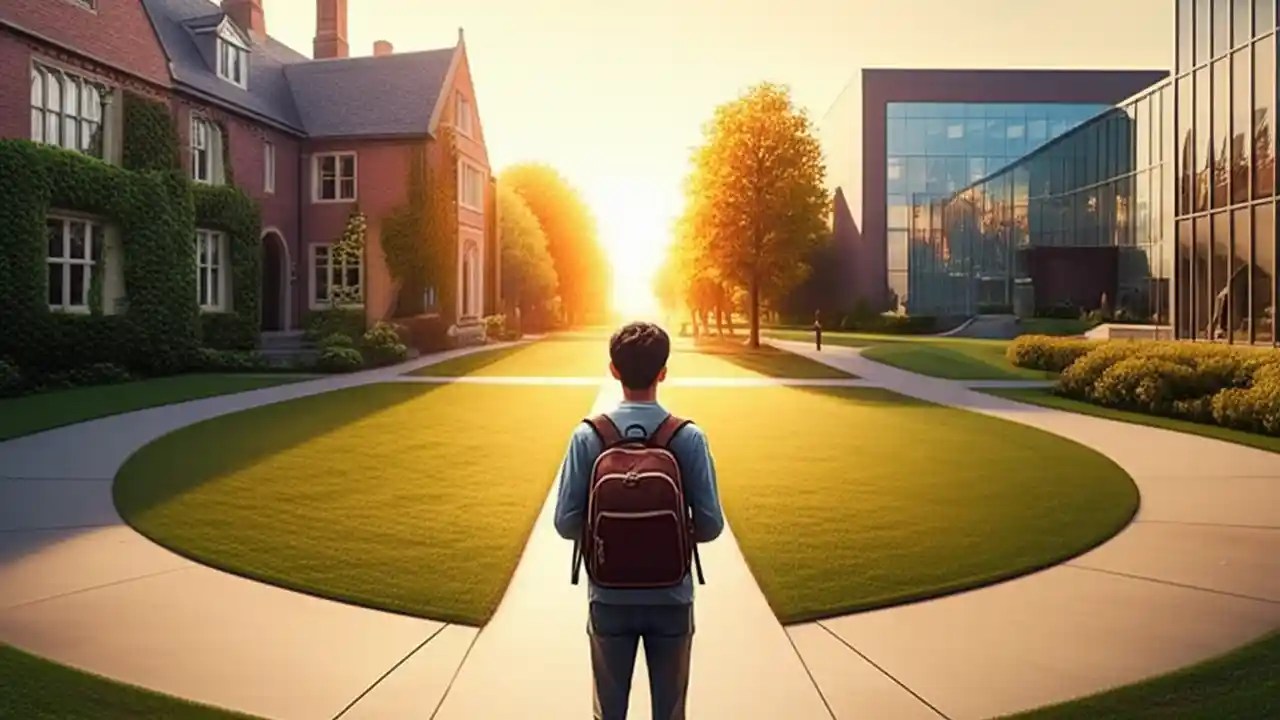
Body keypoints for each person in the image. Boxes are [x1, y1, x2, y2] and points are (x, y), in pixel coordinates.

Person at [553, 322, 725, 720]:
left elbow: (565, 523)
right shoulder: (687, 438)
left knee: (609, 713)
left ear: (613, 370)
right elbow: (711, 525)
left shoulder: (588, 437)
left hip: (609, 597)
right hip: (671, 597)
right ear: (663, 372)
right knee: (670, 712)